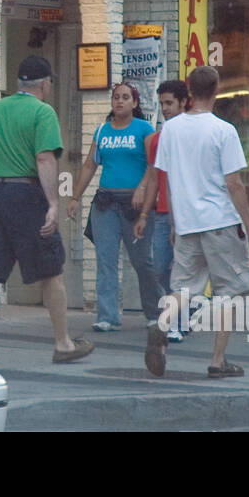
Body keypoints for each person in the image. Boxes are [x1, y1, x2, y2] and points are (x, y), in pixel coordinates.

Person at [133, 66, 249, 378]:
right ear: (217, 88)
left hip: (186, 223)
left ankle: (161, 326)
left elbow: (166, 179)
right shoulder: (224, 131)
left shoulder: (171, 131)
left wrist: (175, 225)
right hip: (220, 221)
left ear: (189, 91)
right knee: (229, 292)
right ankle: (217, 362)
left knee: (182, 287)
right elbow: (234, 184)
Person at [0, 55, 94, 364]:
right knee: (51, 270)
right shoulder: (42, 112)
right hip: (27, 194)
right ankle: (63, 344)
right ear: (45, 83)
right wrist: (52, 203)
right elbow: (45, 159)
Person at [67, 83, 156, 332]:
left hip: (134, 203)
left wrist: (141, 188)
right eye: (116, 97)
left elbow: (154, 165)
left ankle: (153, 312)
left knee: (142, 261)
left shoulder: (144, 129)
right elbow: (88, 166)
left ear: (134, 103)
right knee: (105, 259)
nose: (119, 101)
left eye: (125, 97)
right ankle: (107, 315)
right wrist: (75, 197)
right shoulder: (102, 131)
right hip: (106, 202)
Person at [132, 79, 189, 342]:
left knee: (184, 267)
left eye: (169, 103)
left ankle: (177, 320)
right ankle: (177, 315)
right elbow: (155, 176)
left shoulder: (189, 133)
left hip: (189, 212)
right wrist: (144, 213)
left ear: (183, 103)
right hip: (164, 211)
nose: (165, 108)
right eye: (162, 103)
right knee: (160, 266)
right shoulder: (159, 138)